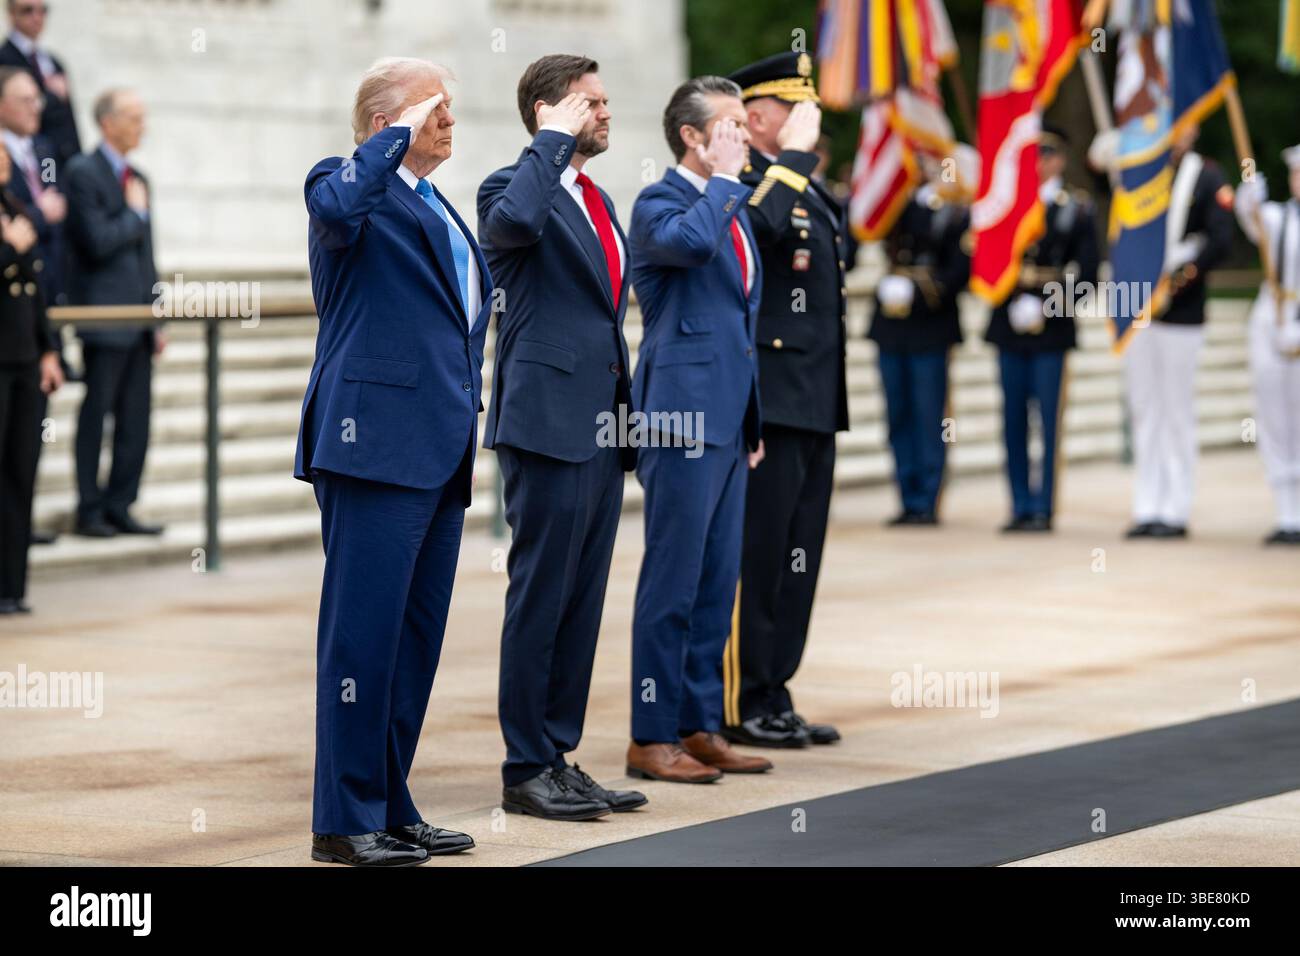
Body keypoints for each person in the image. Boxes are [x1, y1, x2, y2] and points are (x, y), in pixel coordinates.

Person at [297, 57, 487, 866]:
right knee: (361, 640)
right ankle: (342, 820)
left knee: (414, 641)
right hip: (371, 446)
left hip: (438, 450)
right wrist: (388, 142)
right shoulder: (343, 182)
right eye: (433, 107)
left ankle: (390, 800)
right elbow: (340, 209)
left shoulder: (435, 203)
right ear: (384, 124)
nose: (450, 119)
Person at [477, 54, 645, 820]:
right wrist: (549, 146)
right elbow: (511, 227)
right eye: (589, 103)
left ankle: (559, 754)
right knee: (540, 593)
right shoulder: (510, 187)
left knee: (581, 598)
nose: (605, 112)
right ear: (548, 113)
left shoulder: (599, 198)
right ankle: (523, 767)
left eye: (606, 101)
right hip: (545, 419)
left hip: (602, 421)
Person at [625, 75, 772, 783]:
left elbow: (740, 324)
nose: (743, 135)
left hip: (727, 420)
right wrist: (722, 184)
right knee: (672, 581)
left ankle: (698, 722)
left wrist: (751, 420)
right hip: (678, 417)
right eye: (731, 124)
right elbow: (684, 248)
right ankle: (651, 735)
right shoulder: (662, 200)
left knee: (717, 582)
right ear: (692, 136)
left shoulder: (731, 204)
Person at [721, 52, 848, 750]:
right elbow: (758, 234)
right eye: (794, 110)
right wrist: (791, 161)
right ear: (758, 117)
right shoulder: (748, 182)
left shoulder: (806, 185)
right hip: (769, 399)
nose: (809, 122)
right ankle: (739, 696)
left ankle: (774, 687)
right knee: (760, 555)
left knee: (800, 555)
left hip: (814, 398)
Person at [1120, 124, 1233, 540]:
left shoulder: (1205, 176)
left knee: (1176, 410)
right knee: (1144, 407)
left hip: (1181, 310)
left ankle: (1176, 506)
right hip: (1137, 307)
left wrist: (1179, 279)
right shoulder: (1139, 172)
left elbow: (1220, 239)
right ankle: (1147, 502)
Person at [985, 125, 1098, 533]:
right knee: (1013, 419)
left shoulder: (1077, 208)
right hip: (1009, 322)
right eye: (1034, 155)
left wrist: (1050, 307)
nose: (1038, 163)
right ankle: (1018, 503)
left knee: (1048, 420)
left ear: (1059, 161)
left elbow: (1088, 274)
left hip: (1050, 328)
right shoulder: (1007, 204)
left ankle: (1043, 506)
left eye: (1046, 155)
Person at [64, 89, 163, 538]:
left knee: (135, 421)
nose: (142, 125)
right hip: (103, 319)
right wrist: (135, 215)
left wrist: (156, 313)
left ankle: (120, 505)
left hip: (139, 320)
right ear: (107, 123)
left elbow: (147, 256)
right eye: (134, 117)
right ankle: (89, 509)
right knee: (96, 415)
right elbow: (97, 240)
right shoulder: (82, 172)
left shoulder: (138, 177)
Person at [869, 165, 971, 527]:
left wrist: (923, 289)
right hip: (891, 324)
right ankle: (907, 495)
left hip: (931, 323)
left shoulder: (956, 208)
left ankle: (927, 496)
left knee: (929, 415)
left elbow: (960, 269)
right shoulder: (894, 201)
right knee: (898, 414)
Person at [0, 143, 61, 614]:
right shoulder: (16, 226)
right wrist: (9, 250)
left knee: (21, 471)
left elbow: (35, 289)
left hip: (23, 357)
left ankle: (12, 587)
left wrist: (48, 351)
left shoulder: (16, 209)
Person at [1234, 144, 1300, 545]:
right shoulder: (1280, 218)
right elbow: (1254, 222)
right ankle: (1286, 512)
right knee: (1274, 417)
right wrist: (1248, 197)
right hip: (1273, 320)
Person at [0, 0, 79, 166]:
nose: (37, 17)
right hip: (25, 155)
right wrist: (51, 96)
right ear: (11, 14)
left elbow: (68, 117)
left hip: (59, 157)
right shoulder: (4, 59)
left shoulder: (52, 61)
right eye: (27, 10)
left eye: (42, 10)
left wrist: (77, 158)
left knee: (52, 186)